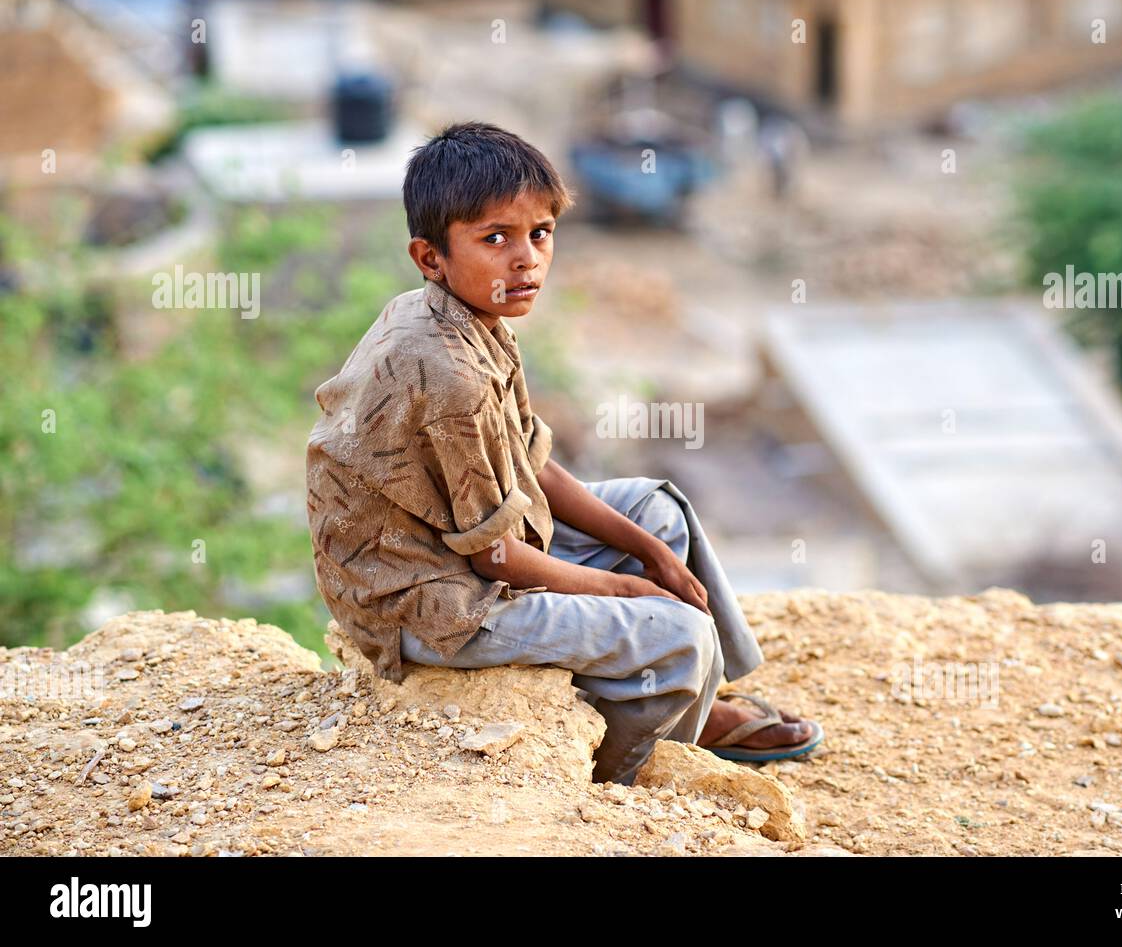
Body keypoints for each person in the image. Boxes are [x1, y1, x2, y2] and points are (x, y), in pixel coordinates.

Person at [306, 121, 822, 785]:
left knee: (658, 511)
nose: (526, 260)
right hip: (424, 600)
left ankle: (697, 699)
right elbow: (491, 555)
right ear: (430, 257)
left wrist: (653, 554)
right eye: (496, 238)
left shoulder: (474, 320)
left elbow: (530, 461)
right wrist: (629, 587)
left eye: (540, 234)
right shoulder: (446, 370)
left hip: (461, 549)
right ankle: (617, 768)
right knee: (677, 631)